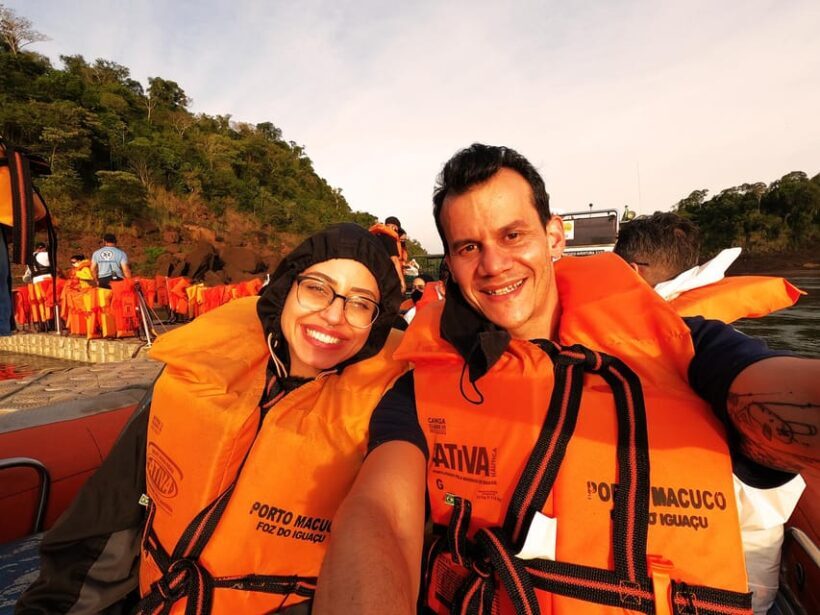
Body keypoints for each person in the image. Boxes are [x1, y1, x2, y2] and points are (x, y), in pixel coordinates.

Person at [314, 144, 820, 615]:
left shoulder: (689, 348)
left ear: (554, 236)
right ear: (449, 262)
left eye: (513, 235)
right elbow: (379, 511)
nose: (493, 264)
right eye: (469, 247)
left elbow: (778, 391)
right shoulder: (426, 381)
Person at [17, 223, 406, 614]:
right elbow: (107, 516)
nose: (333, 314)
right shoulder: (196, 375)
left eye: (359, 303)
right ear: (287, 288)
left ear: (377, 322)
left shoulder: (388, 414)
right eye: (317, 288)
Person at [615, 212, 807, 614]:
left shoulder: (692, 344)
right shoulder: (728, 338)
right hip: (752, 585)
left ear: (629, 273)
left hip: (707, 589)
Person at [369, 216, 406, 293]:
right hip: (385, 278)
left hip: (372, 276)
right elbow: (394, 260)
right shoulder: (390, 237)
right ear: (394, 227)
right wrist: (402, 281)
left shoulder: (374, 236)